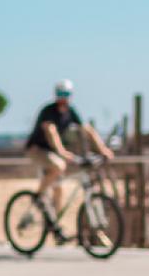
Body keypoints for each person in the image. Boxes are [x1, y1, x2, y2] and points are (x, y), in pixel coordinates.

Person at [25, 79, 113, 235]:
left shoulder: (70, 111)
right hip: (37, 149)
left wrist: (103, 149)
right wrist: (62, 152)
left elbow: (86, 129)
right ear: (55, 95)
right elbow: (51, 131)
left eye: (66, 94)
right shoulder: (48, 111)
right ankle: (37, 196)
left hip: (52, 152)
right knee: (59, 166)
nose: (63, 97)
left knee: (59, 189)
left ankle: (55, 225)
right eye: (60, 94)